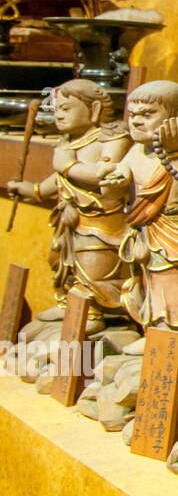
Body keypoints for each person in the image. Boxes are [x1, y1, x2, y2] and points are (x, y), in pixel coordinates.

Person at [98, 81, 178, 347]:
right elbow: (115, 191)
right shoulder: (136, 150)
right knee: (148, 281)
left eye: (147, 114)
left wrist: (176, 151)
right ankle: (155, 331)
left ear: (177, 118)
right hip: (145, 229)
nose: (137, 122)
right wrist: (115, 184)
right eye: (132, 115)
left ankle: (172, 334)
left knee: (170, 278)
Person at [7, 81, 130, 329]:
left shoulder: (113, 137)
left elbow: (105, 175)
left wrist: (67, 165)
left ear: (94, 109)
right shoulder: (69, 142)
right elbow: (61, 179)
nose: (58, 115)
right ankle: (67, 303)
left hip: (99, 220)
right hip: (68, 219)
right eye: (55, 109)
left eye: (66, 108)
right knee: (60, 259)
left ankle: (93, 313)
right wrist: (35, 191)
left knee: (92, 265)